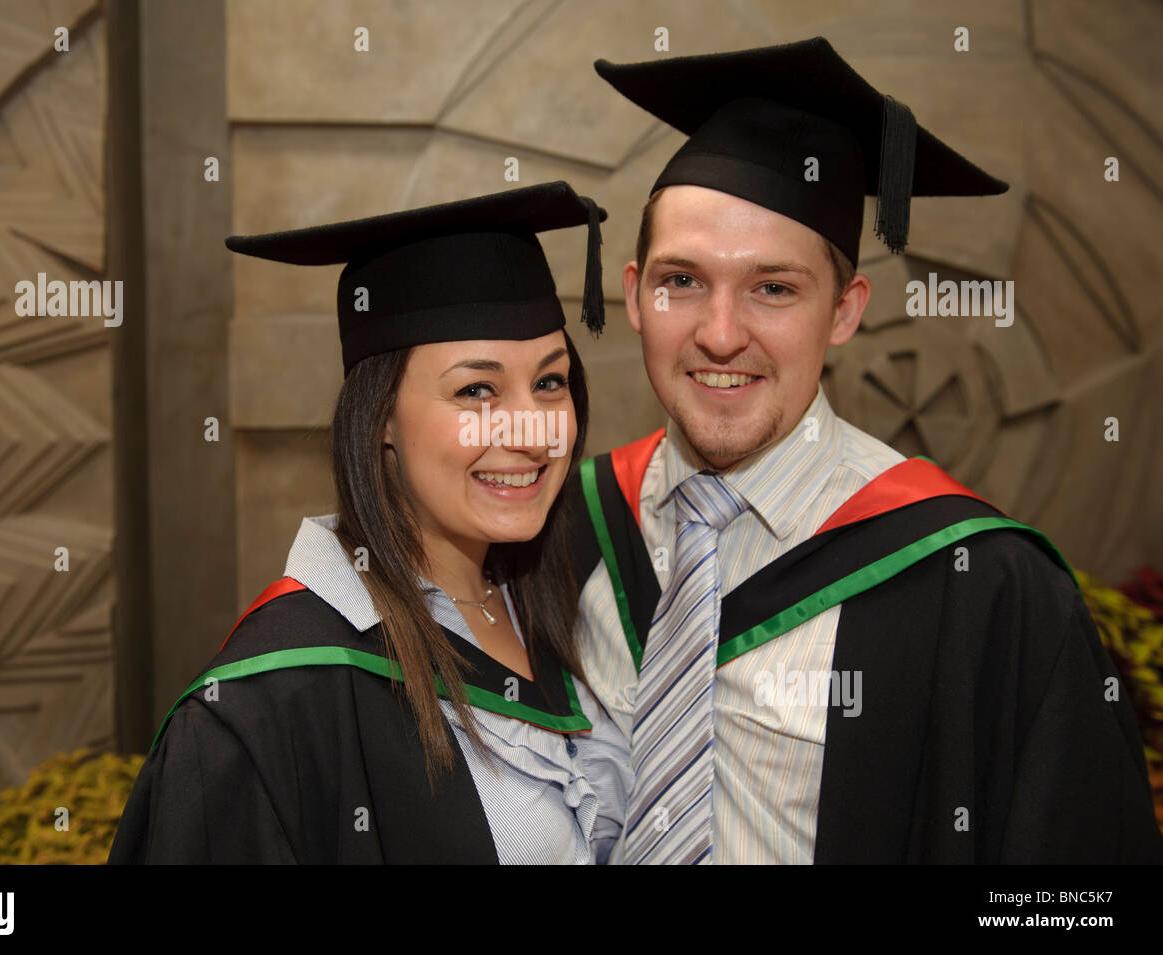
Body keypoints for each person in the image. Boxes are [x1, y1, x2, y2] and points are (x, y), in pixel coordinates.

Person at [568, 37, 1163, 864]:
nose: (720, 333)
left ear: (845, 312)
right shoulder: (568, 530)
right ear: (634, 295)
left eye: (774, 288)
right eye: (683, 281)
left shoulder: (983, 587)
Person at [109, 181, 631, 864]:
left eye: (550, 382)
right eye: (476, 389)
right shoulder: (265, 705)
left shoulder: (570, 604)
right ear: (382, 416)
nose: (530, 430)